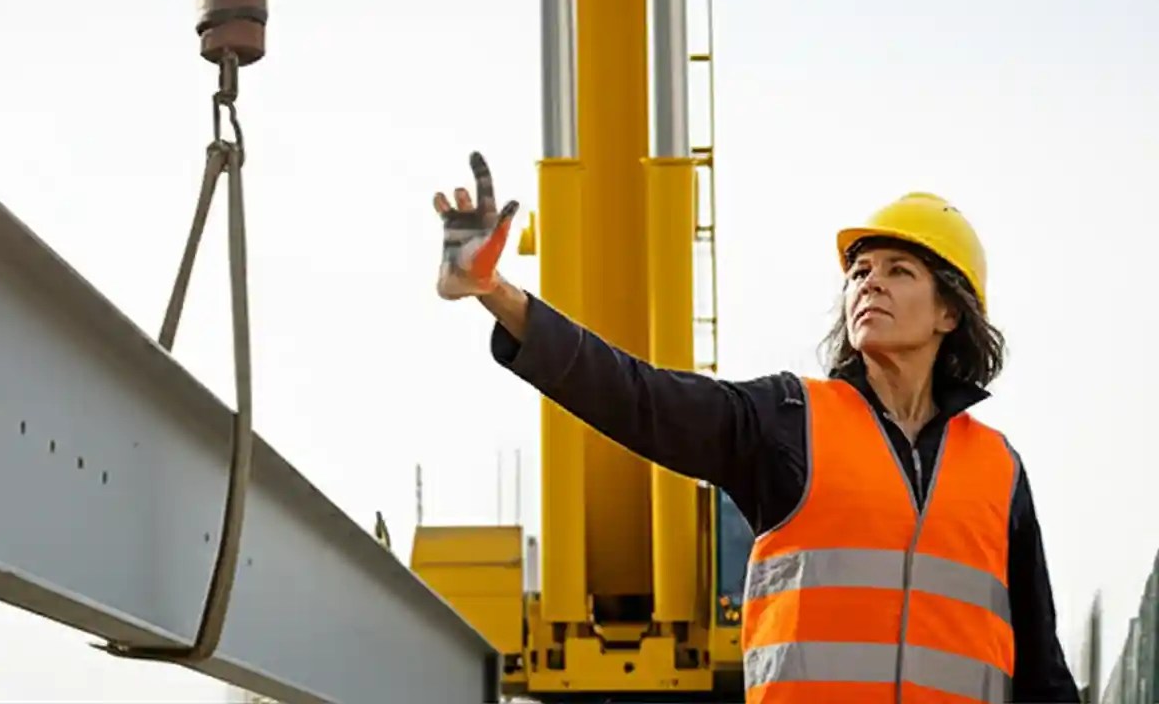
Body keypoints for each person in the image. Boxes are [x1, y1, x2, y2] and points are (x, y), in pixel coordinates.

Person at [433, 152, 1081, 703]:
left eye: (898, 271)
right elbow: (637, 396)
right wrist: (496, 292)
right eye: (860, 272)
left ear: (949, 314)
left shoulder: (997, 469)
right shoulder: (791, 421)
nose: (869, 285)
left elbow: (1042, 669)